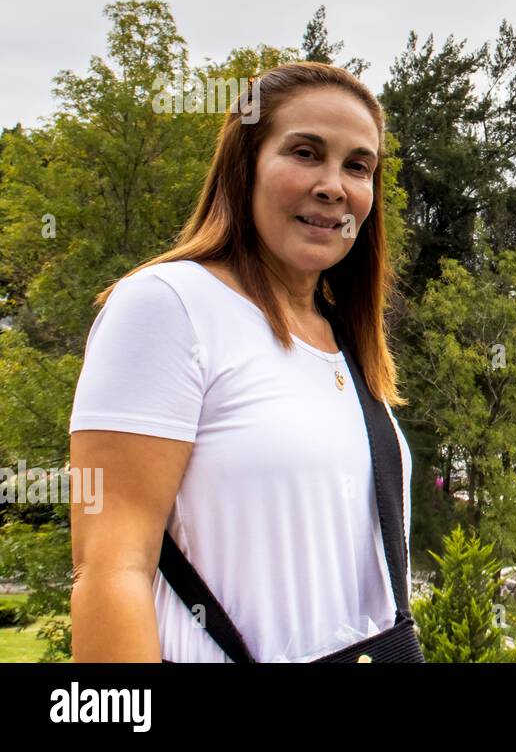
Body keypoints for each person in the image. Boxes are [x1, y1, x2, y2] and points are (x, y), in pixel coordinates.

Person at [69, 62, 419, 663]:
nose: (334, 185)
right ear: (245, 167)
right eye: (306, 153)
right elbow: (110, 569)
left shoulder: (343, 341)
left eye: (357, 165)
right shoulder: (170, 306)